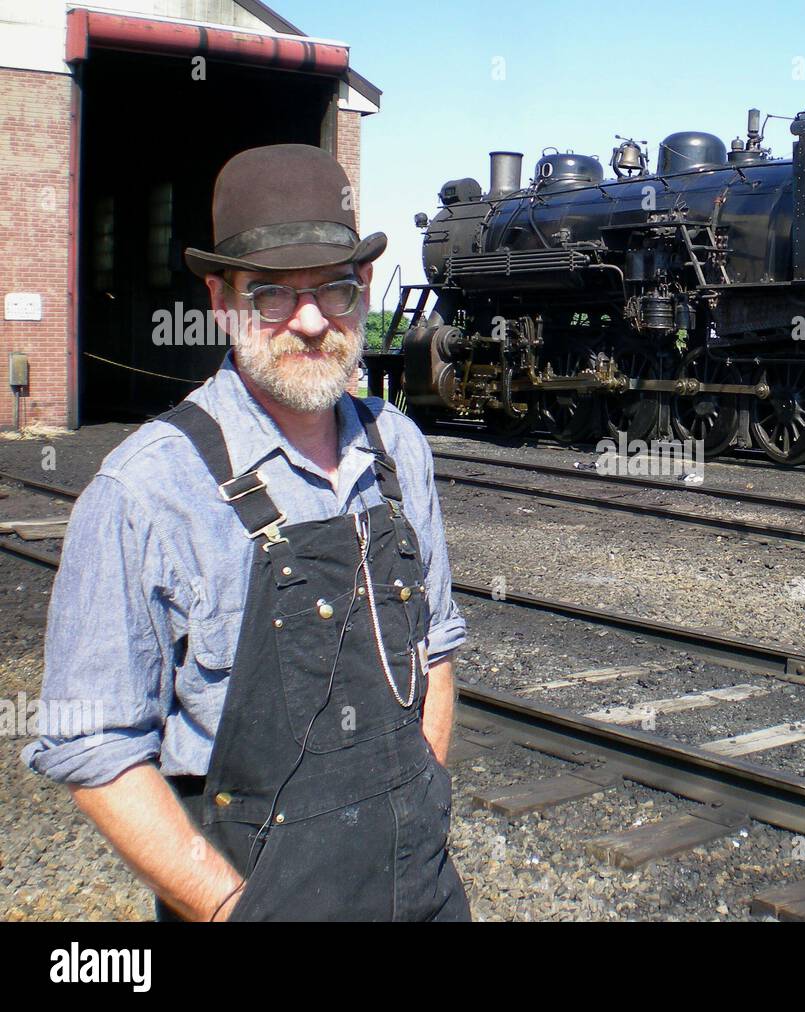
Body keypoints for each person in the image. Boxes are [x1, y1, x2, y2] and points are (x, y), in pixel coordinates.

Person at [22, 144, 470, 922]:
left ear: (363, 287)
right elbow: (90, 747)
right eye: (269, 295)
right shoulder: (145, 490)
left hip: (426, 898)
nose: (307, 322)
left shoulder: (400, 449)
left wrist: (426, 807)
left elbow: (434, 656)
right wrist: (232, 908)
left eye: (332, 288)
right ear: (221, 298)